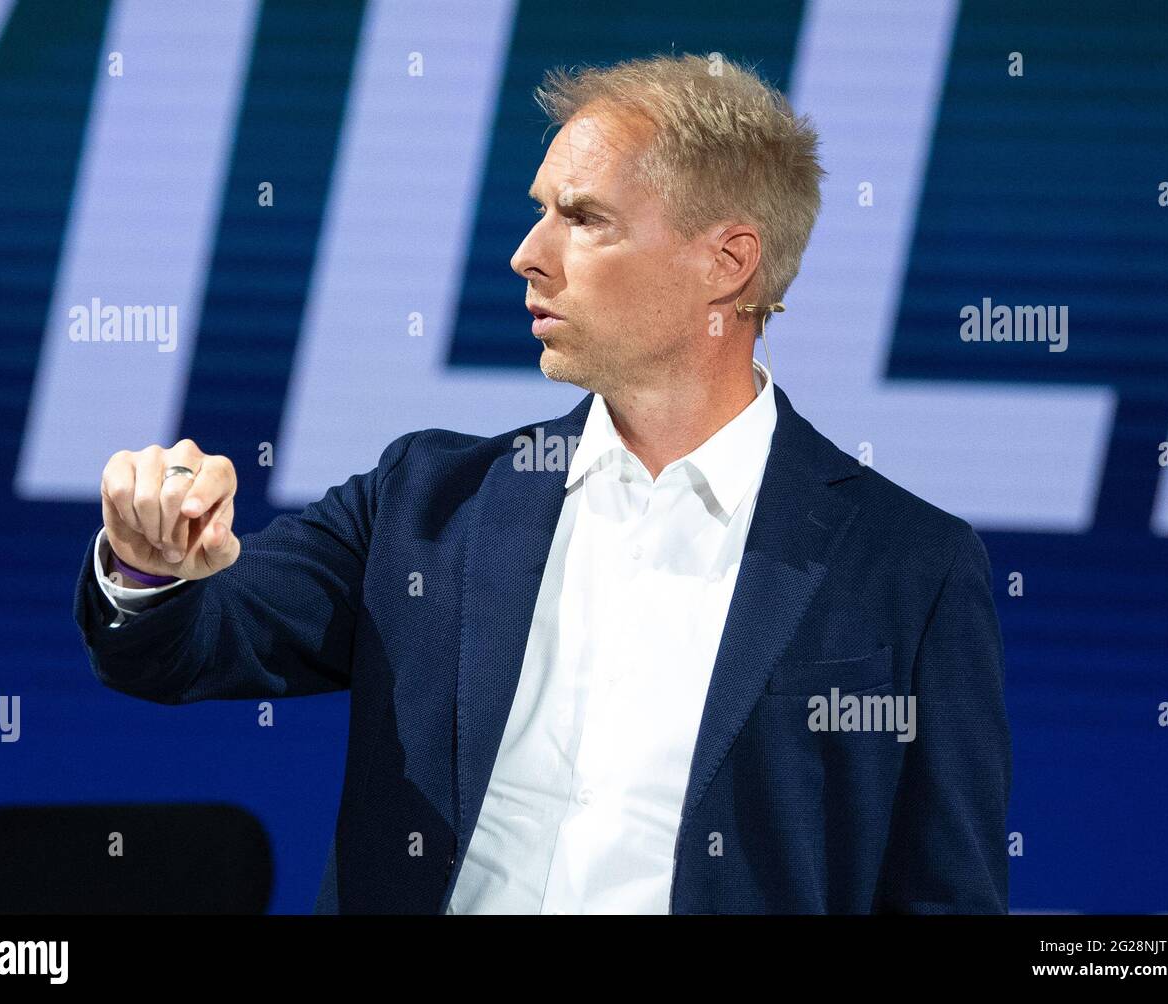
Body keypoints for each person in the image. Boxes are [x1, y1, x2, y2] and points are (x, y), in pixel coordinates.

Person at [75, 52, 1011, 914]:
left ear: (728, 263)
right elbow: (186, 647)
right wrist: (148, 563)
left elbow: (945, 897)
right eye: (540, 211)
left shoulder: (908, 568)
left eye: (584, 218)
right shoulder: (427, 504)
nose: (529, 253)